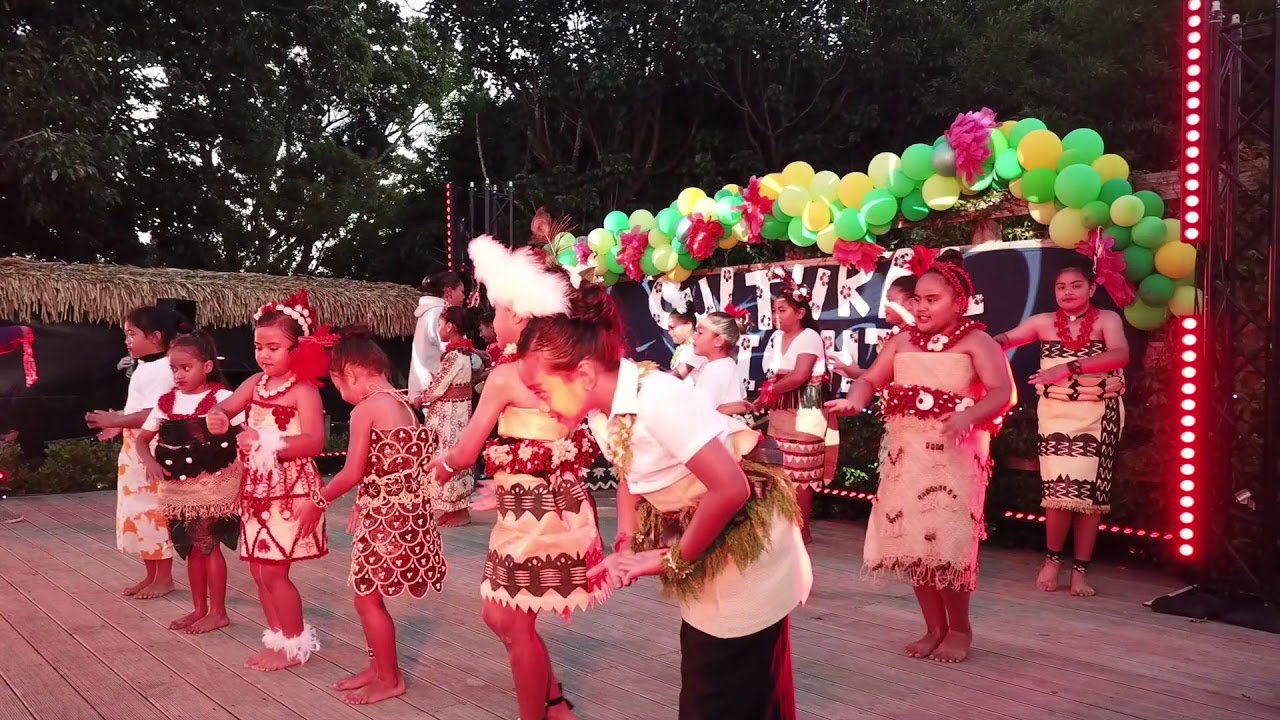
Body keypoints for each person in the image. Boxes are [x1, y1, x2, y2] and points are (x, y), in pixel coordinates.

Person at [518, 280, 812, 720]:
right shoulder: (603, 412)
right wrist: (628, 543)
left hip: (749, 553)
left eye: (542, 392)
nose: (540, 405)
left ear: (583, 374)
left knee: (727, 692)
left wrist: (667, 560)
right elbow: (628, 473)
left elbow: (732, 489)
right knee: (721, 685)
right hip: (708, 551)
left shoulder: (657, 398)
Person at [427, 235, 609, 720]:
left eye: (498, 310)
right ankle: (553, 702)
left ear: (522, 317)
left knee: (511, 620)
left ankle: (544, 711)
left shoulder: (509, 376)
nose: (491, 319)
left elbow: (465, 451)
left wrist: (438, 467)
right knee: (501, 614)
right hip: (552, 508)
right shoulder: (566, 368)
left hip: (539, 516)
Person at [827, 250, 1014, 664]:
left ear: (958, 302)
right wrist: (855, 402)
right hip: (905, 457)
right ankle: (933, 627)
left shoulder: (978, 341)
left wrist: (968, 414)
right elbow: (872, 380)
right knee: (913, 542)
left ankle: (960, 628)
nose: (921, 306)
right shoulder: (902, 340)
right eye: (917, 299)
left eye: (933, 299)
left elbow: (1003, 393)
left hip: (956, 456)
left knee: (947, 544)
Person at [295, 327, 447, 704]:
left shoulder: (367, 408)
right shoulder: (404, 403)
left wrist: (318, 500)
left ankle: (390, 677)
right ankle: (379, 667)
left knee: (367, 599)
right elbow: (394, 467)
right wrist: (365, 503)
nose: (343, 397)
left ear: (350, 374)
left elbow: (351, 471)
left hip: (389, 517)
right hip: (407, 513)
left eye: (339, 387)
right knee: (367, 596)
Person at [206, 289, 332, 671]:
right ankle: (277, 638)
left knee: (275, 572)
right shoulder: (255, 384)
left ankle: (294, 644)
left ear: (299, 348)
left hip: (290, 490)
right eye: (259, 346)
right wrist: (217, 416)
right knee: (259, 571)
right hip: (257, 489)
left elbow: (314, 440)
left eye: (274, 347)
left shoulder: (304, 391)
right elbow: (224, 408)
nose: (264, 354)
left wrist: (265, 440)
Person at [993, 257, 1129, 597]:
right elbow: (1005, 340)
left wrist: (1069, 367)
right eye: (1060, 287)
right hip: (1055, 414)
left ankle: (1080, 570)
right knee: (1058, 493)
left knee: (1090, 497)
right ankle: (1052, 560)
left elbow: (1121, 355)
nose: (1067, 292)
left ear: (1092, 288)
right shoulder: (1042, 322)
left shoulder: (1107, 320)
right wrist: (970, 342)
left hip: (1099, 414)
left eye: (1076, 285)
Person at [135, 330, 243, 634]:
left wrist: (240, 468)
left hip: (214, 487)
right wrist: (150, 462)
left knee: (210, 546)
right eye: (173, 369)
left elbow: (245, 434)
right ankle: (199, 608)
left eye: (186, 368)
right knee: (192, 548)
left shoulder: (222, 398)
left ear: (207, 367)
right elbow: (143, 440)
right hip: (178, 492)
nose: (179, 375)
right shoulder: (165, 403)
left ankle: (218, 611)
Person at [86, 306, 183, 599]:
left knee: (153, 511)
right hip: (133, 450)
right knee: (137, 512)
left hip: (151, 450)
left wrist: (117, 420)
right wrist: (119, 424)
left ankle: (164, 578)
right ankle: (150, 574)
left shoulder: (166, 368)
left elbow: (157, 412)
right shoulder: (144, 365)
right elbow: (136, 410)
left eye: (132, 334)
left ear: (155, 337)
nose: (127, 340)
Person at [757, 271, 829, 543]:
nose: (777, 315)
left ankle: (801, 531)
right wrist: (767, 394)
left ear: (800, 313)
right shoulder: (777, 338)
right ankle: (784, 531)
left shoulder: (809, 336)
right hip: (781, 414)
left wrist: (769, 392)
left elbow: (799, 376)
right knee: (781, 472)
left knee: (801, 477)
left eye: (783, 309)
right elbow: (779, 377)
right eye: (775, 310)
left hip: (805, 415)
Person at [419, 306, 477, 528]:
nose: (439, 329)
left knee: (448, 454)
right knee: (450, 453)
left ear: (450, 327)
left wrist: (420, 398)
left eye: (441, 325)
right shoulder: (463, 353)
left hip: (450, 416)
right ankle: (453, 510)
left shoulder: (455, 355)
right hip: (455, 413)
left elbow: (438, 387)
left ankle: (460, 512)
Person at [828, 275, 919, 379]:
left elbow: (883, 378)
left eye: (890, 300)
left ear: (910, 304)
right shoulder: (899, 334)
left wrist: (854, 371)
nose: (885, 305)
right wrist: (850, 371)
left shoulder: (913, 338)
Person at [409, 272, 466, 405]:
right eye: (461, 291)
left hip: (429, 392)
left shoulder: (433, 311)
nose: (464, 296)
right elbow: (453, 350)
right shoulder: (440, 312)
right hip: (435, 396)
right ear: (449, 292)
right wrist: (476, 361)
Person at [689, 307, 754, 417]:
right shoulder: (722, 365)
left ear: (718, 341)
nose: (694, 336)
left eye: (700, 333)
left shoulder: (718, 370)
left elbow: (703, 411)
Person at [667, 310, 706, 380]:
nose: (669, 332)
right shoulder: (685, 347)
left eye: (672, 327)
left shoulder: (696, 349)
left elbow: (675, 377)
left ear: (688, 326)